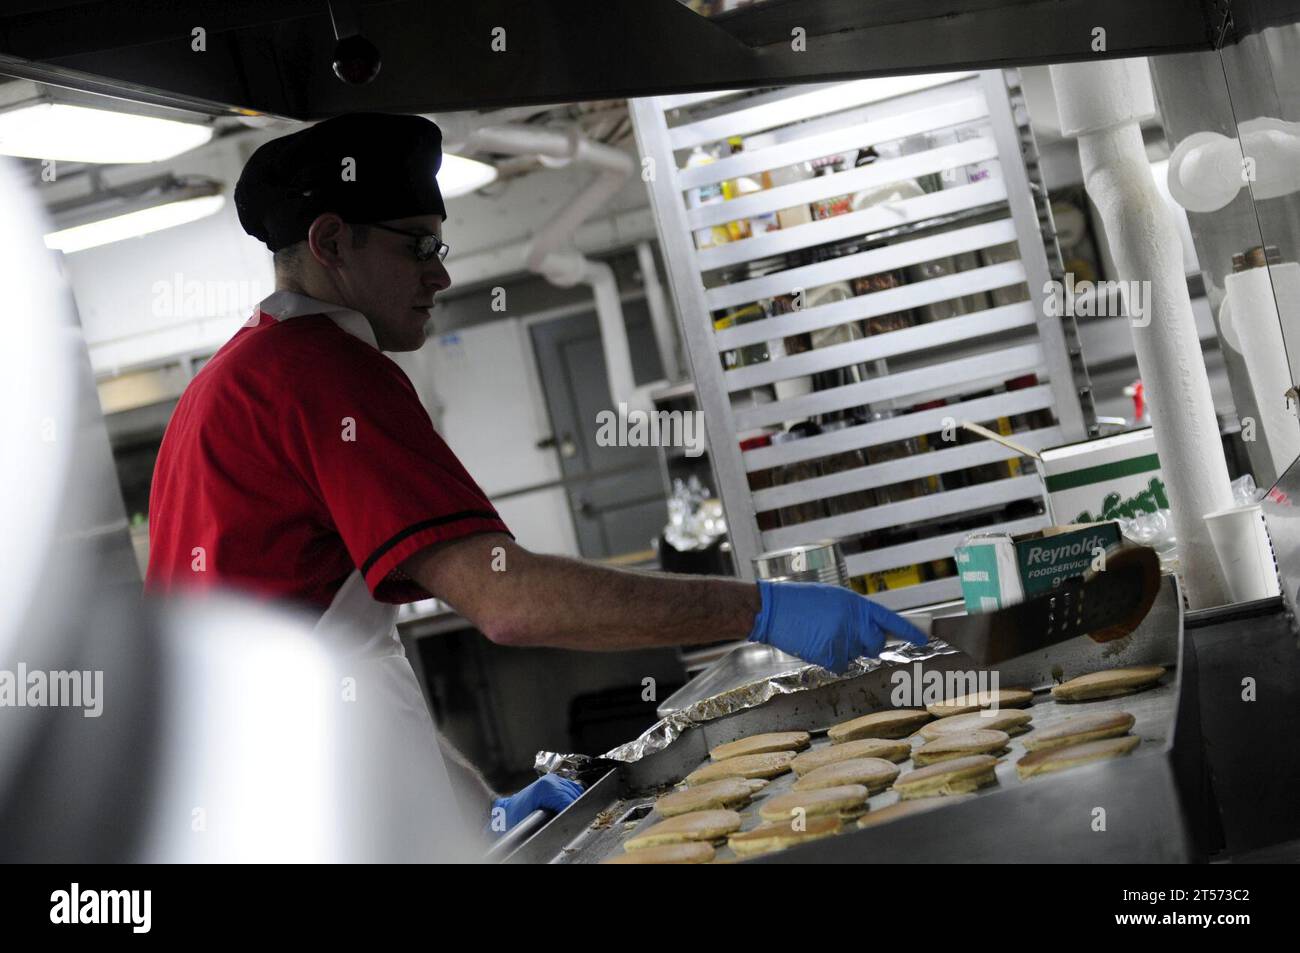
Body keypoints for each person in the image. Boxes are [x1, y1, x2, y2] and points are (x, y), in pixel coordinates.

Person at [144, 112, 926, 845]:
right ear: (330, 241)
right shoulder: (324, 372)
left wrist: (477, 809)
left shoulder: (225, 385)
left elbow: (344, 668)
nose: (439, 277)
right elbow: (507, 601)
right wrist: (762, 608)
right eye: (418, 247)